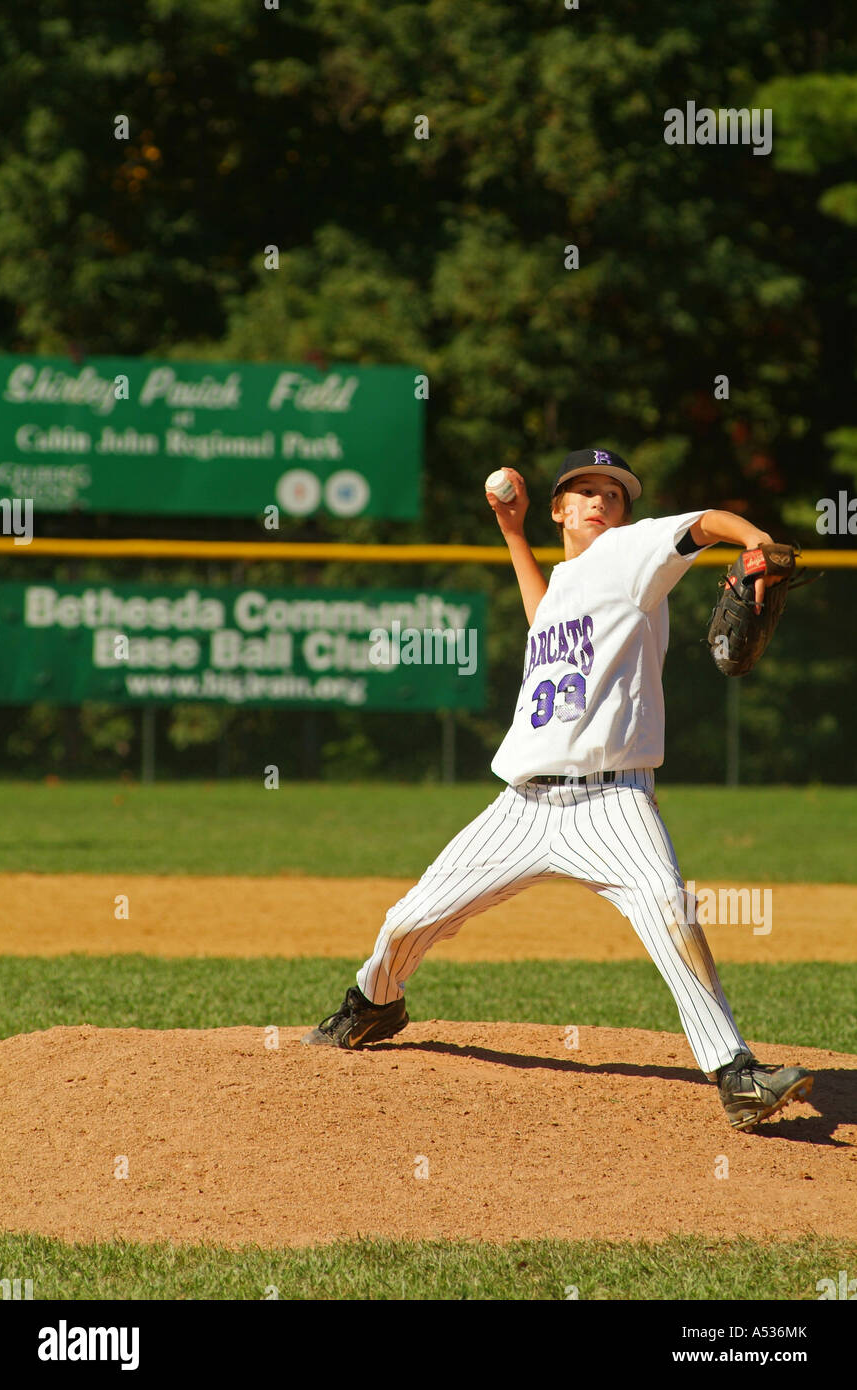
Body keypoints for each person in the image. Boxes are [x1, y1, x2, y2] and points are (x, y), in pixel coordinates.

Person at [302, 449, 814, 1132]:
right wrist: (513, 533)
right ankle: (375, 1002)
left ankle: (735, 1072)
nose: (600, 500)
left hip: (611, 803)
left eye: (613, 492)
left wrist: (752, 541)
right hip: (522, 805)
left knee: (669, 912)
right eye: (584, 490)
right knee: (408, 919)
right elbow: (544, 612)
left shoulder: (632, 552)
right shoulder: (567, 581)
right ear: (558, 510)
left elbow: (703, 523)